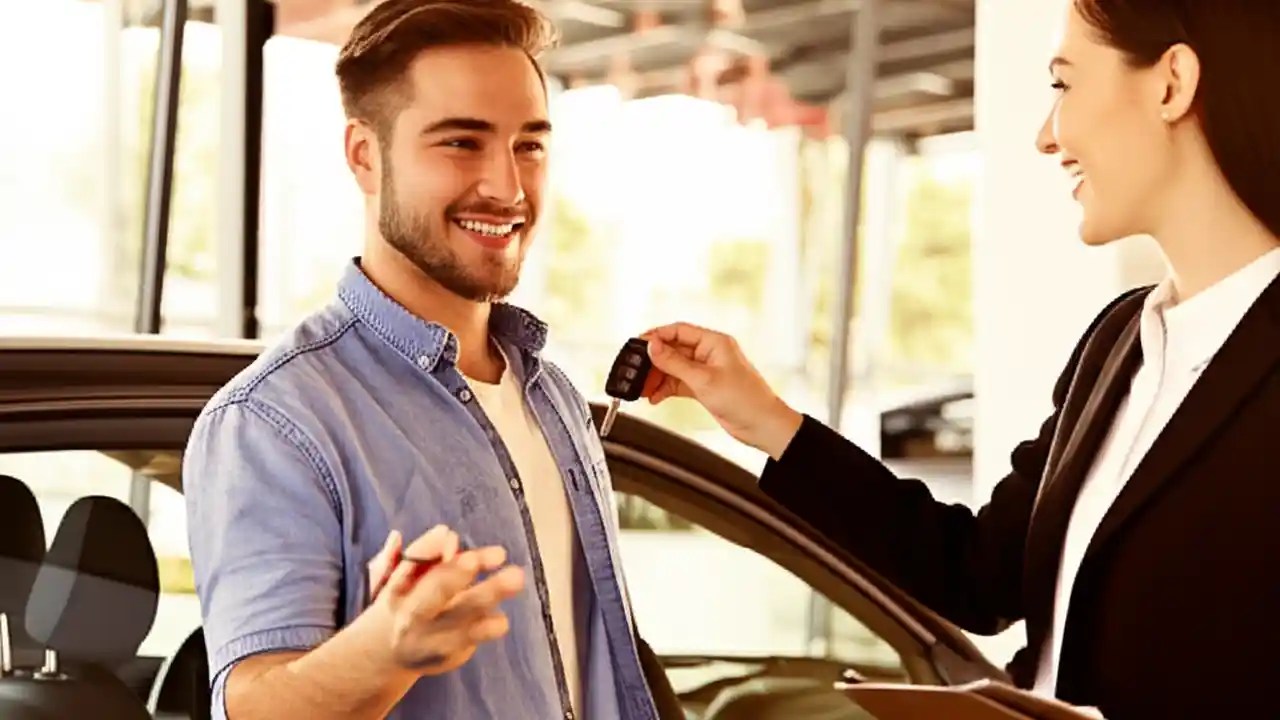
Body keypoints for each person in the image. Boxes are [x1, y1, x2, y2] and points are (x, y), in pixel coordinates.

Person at [637, 1, 1280, 718]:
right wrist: (768, 422)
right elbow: (980, 575)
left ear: (1171, 83)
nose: (1045, 136)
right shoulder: (1120, 342)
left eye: (1063, 85)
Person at [182, 2, 668, 719]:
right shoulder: (277, 422)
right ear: (364, 156)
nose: (507, 188)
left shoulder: (552, 396)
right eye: (462, 144)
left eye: (529, 146)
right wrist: (382, 654)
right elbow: (254, 705)